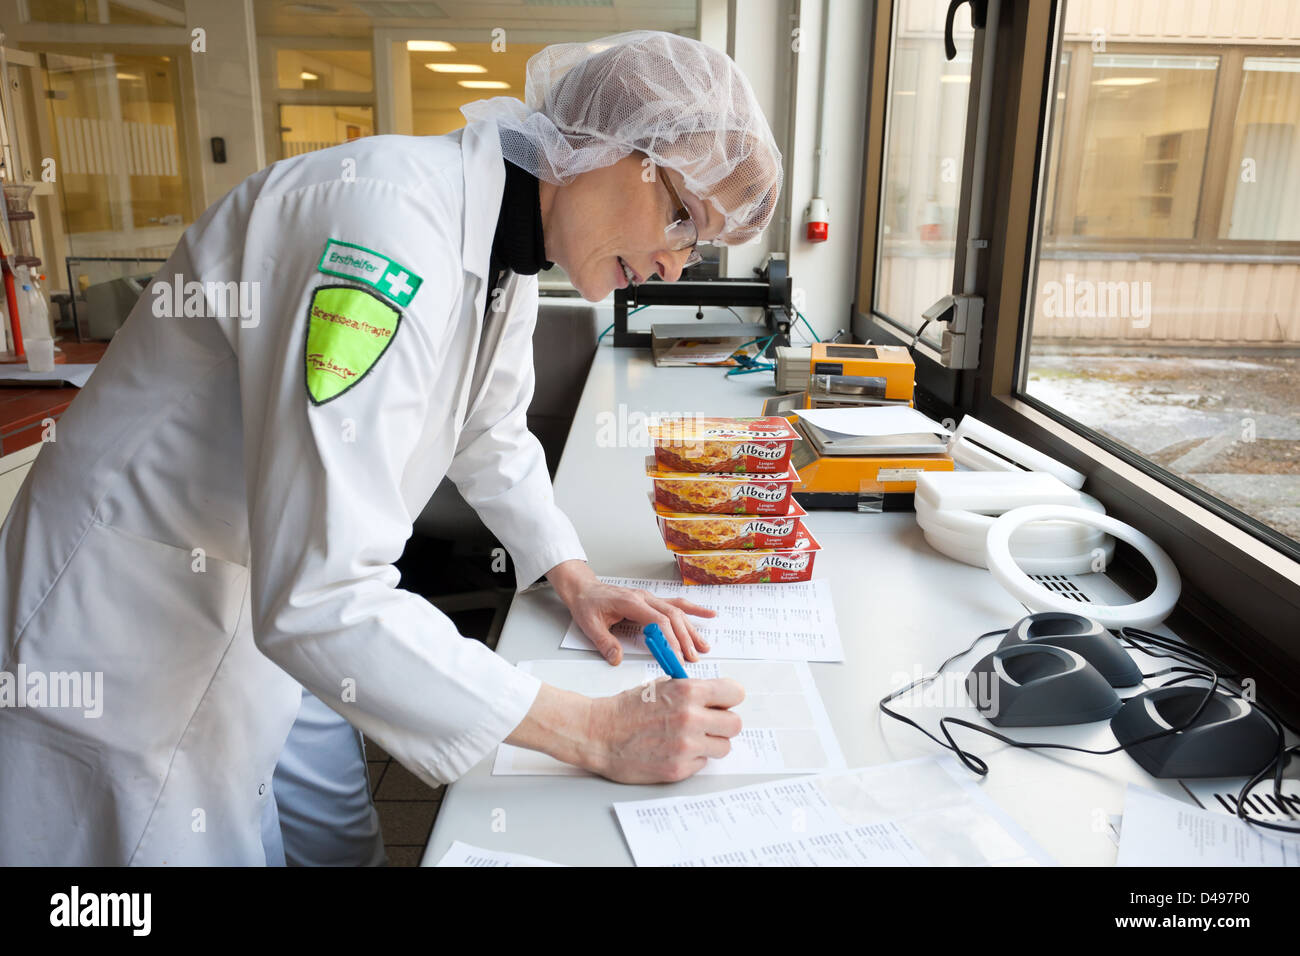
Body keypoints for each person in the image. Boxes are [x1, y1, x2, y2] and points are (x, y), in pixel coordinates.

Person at [0, 30, 783, 865]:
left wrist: (573, 574)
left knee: (341, 845)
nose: (674, 266)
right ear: (613, 148)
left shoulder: (510, 246)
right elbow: (318, 593)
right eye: (679, 218)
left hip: (263, 605)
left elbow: (488, 430)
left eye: (696, 244)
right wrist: (594, 730)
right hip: (132, 628)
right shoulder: (381, 237)